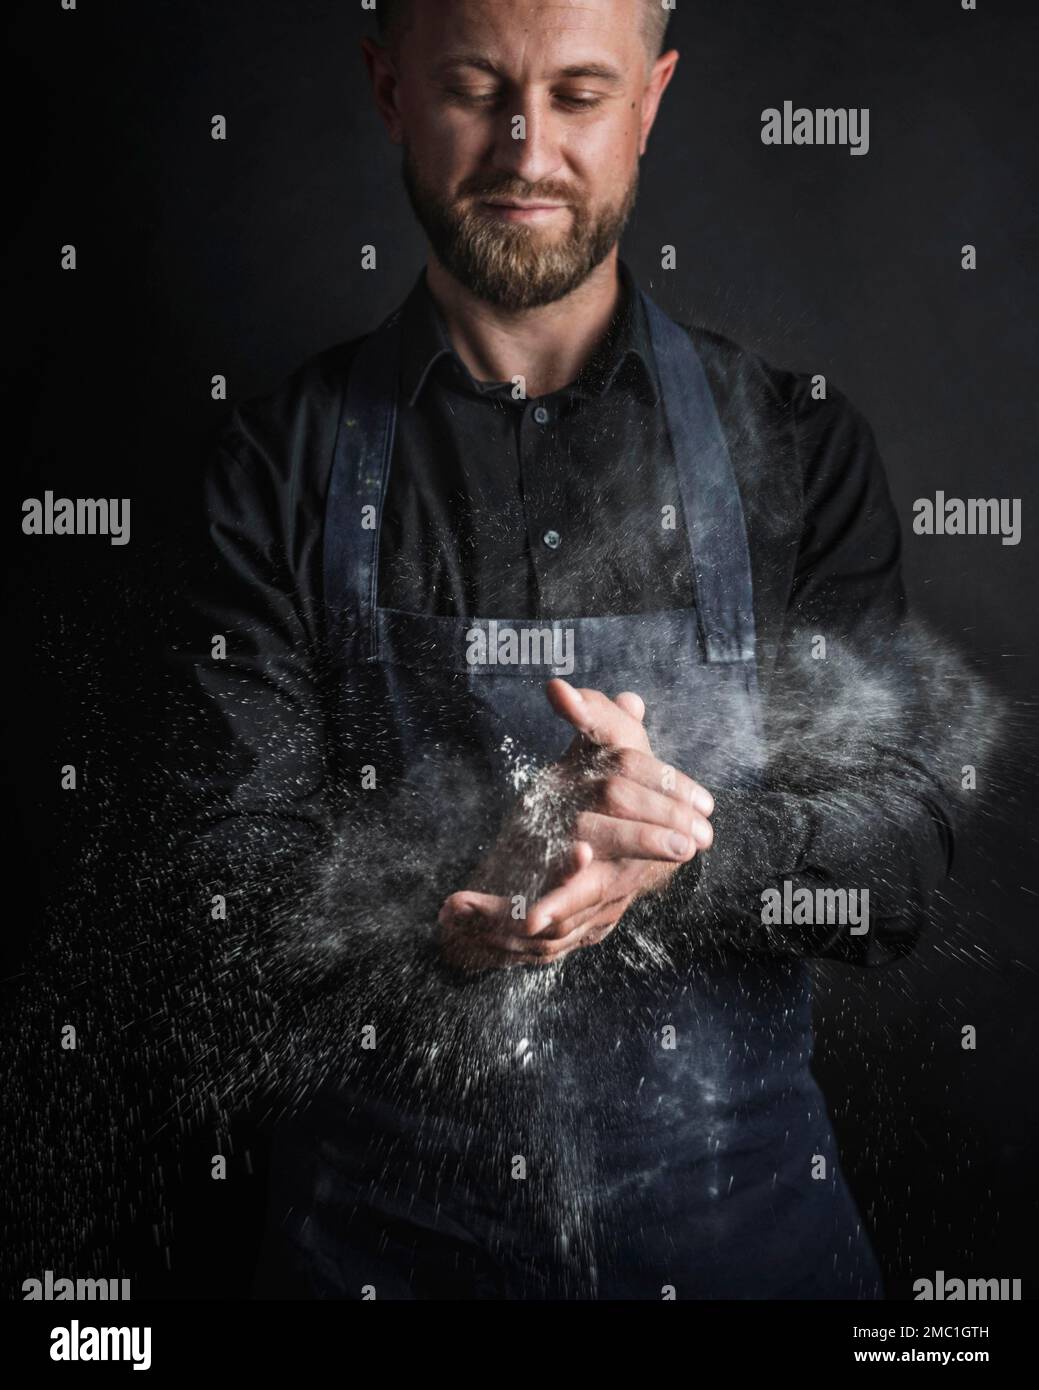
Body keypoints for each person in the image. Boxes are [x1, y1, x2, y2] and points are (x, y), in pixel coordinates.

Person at [169, 0, 962, 1299]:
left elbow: (906, 860)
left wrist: (679, 858)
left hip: (742, 1249)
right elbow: (227, 909)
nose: (527, 148)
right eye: (479, 88)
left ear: (649, 103)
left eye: (581, 96)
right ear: (390, 91)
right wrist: (450, 918)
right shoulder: (274, 470)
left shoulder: (801, 451)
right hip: (373, 1253)